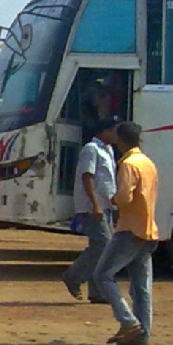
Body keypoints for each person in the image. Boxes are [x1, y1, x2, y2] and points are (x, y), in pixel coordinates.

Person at [91, 122, 160, 345]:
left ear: (121, 140)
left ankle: (129, 323)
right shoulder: (147, 163)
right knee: (141, 285)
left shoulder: (128, 164)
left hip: (129, 228)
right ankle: (143, 333)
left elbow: (124, 197)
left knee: (103, 275)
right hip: (148, 229)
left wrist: (112, 201)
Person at [61, 117, 118, 302]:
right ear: (104, 131)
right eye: (114, 130)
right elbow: (88, 177)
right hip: (93, 206)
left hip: (106, 205)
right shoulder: (91, 149)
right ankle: (73, 276)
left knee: (100, 247)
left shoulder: (108, 150)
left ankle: (97, 291)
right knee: (104, 244)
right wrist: (95, 204)